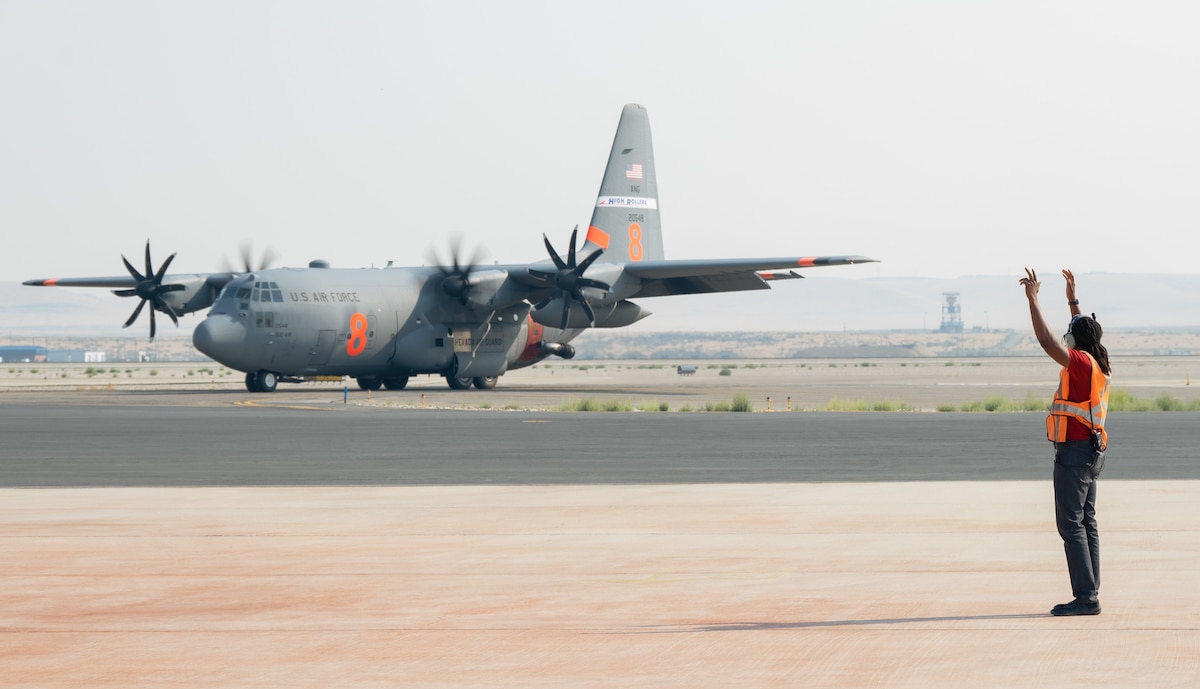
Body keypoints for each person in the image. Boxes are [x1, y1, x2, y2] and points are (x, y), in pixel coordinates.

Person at [1019, 268, 1112, 616]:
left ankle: (1086, 598)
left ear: (1077, 340)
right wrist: (1072, 301)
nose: (1066, 336)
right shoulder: (1098, 360)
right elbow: (1083, 332)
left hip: (1074, 453)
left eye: (1070, 333)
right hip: (1091, 452)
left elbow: (1047, 343)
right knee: (1086, 522)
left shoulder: (1080, 363)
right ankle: (1090, 591)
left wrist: (1033, 299)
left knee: (1070, 524)